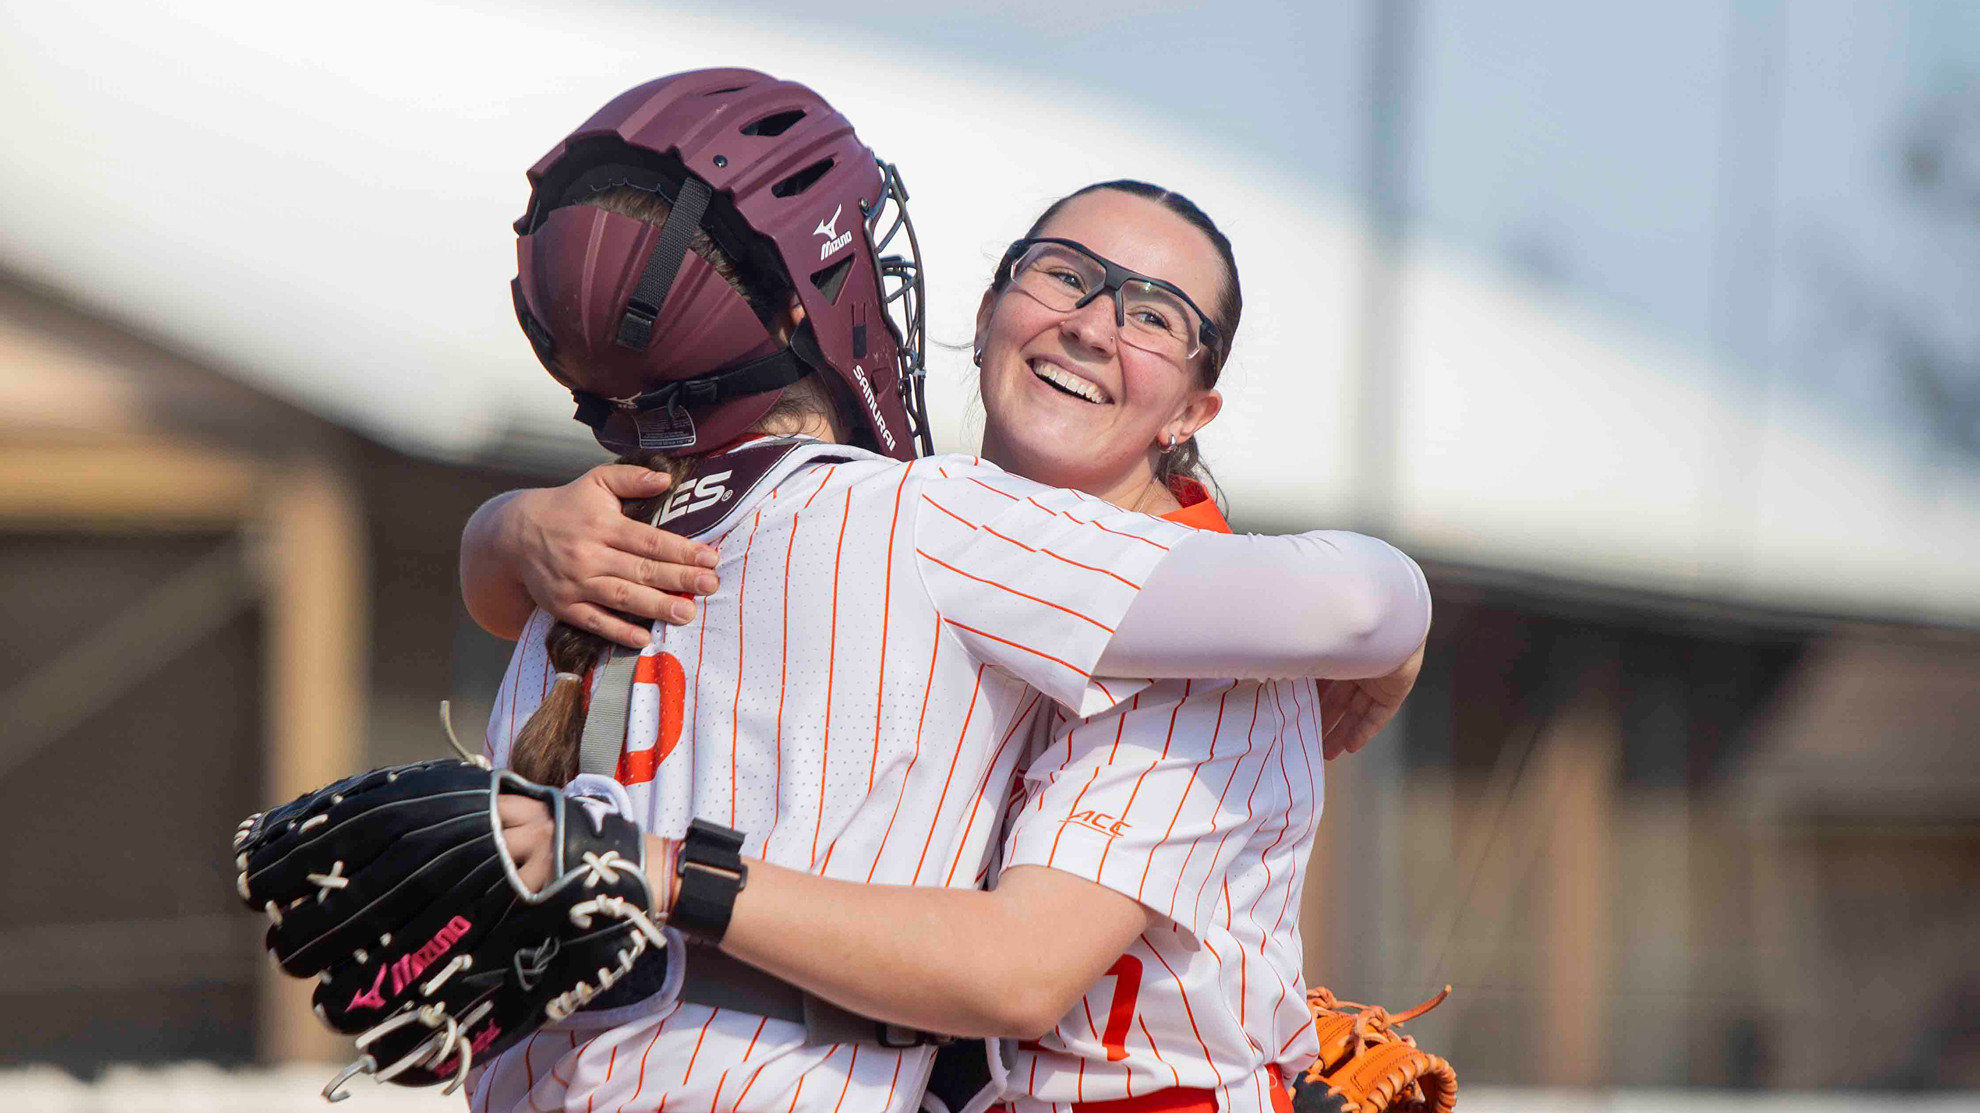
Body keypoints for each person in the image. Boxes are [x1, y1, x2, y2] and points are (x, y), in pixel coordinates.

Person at [464, 70, 1430, 1113]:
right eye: (1064, 275)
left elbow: (1017, 974)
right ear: (988, 307)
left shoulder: (1222, 633)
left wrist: (1393, 631)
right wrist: (507, 529)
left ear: (1193, 409)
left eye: (1156, 314)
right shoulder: (900, 533)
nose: (1095, 324)